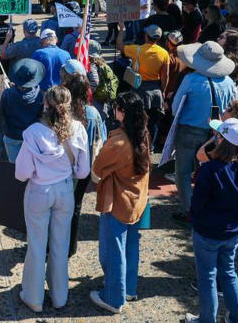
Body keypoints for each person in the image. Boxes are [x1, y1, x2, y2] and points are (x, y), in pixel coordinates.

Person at [184, 118, 238, 323]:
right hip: (235, 231)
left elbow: (198, 204)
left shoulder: (211, 169)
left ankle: (207, 319)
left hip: (208, 232)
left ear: (222, 140)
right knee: (228, 272)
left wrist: (195, 219)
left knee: (207, 276)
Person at [16, 86, 90, 312]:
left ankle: (33, 297)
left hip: (39, 190)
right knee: (60, 243)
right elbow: (83, 171)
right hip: (66, 190)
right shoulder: (79, 128)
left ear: (46, 104)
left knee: (37, 246)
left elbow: (21, 173)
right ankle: (60, 296)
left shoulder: (33, 132)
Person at [88, 92, 150, 313]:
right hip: (138, 199)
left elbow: (96, 171)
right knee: (131, 246)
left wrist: (96, 151)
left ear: (121, 112)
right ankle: (129, 289)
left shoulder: (118, 142)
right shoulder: (143, 133)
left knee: (113, 252)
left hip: (117, 201)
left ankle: (114, 298)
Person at [170, 41, 238, 223]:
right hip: (218, 133)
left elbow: (176, 109)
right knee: (214, 170)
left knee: (183, 172)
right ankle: (212, 205)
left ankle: (188, 210)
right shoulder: (229, 82)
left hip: (190, 131)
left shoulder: (191, 80)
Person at [62, 70, 107, 258]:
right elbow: (101, 137)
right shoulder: (93, 113)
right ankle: (71, 247)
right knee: (76, 207)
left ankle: (56, 242)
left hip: (63, 166)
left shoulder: (63, 111)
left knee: (59, 208)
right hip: (85, 166)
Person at [116, 23, 169, 147]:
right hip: (155, 91)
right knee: (153, 122)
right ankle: (150, 147)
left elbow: (119, 46)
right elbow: (165, 76)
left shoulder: (137, 50)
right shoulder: (164, 53)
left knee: (138, 120)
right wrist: (163, 90)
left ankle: (138, 144)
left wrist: (122, 30)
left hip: (138, 90)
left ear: (146, 36)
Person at [0, 58, 45, 162]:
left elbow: (2, 112)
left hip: (13, 135)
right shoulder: (40, 95)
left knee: (14, 168)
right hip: (33, 137)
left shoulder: (7, 94)